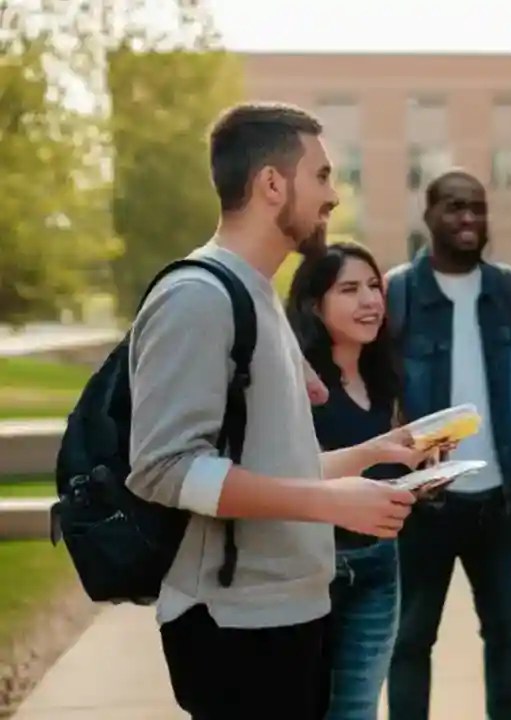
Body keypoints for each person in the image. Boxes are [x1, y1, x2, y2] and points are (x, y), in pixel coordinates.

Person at [125, 102, 427, 719]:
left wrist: (371, 456)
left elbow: (276, 467)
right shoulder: (197, 297)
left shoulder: (257, 294)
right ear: (272, 183)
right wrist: (329, 503)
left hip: (289, 613)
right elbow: (164, 469)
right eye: (321, 176)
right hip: (234, 627)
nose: (333, 196)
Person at [386, 170, 511, 720]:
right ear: (428, 214)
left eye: (478, 208)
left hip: (502, 505)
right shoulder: (399, 293)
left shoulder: (508, 292)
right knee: (410, 640)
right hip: (424, 507)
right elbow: (379, 389)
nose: (469, 218)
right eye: (455, 207)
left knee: (507, 635)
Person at [287, 242, 446, 720]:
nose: (370, 300)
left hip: (377, 565)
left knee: (357, 711)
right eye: (350, 289)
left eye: (374, 286)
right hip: (310, 566)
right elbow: (294, 474)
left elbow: (383, 473)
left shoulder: (385, 377)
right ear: (315, 304)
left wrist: (424, 470)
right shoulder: (296, 380)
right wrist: (376, 451)